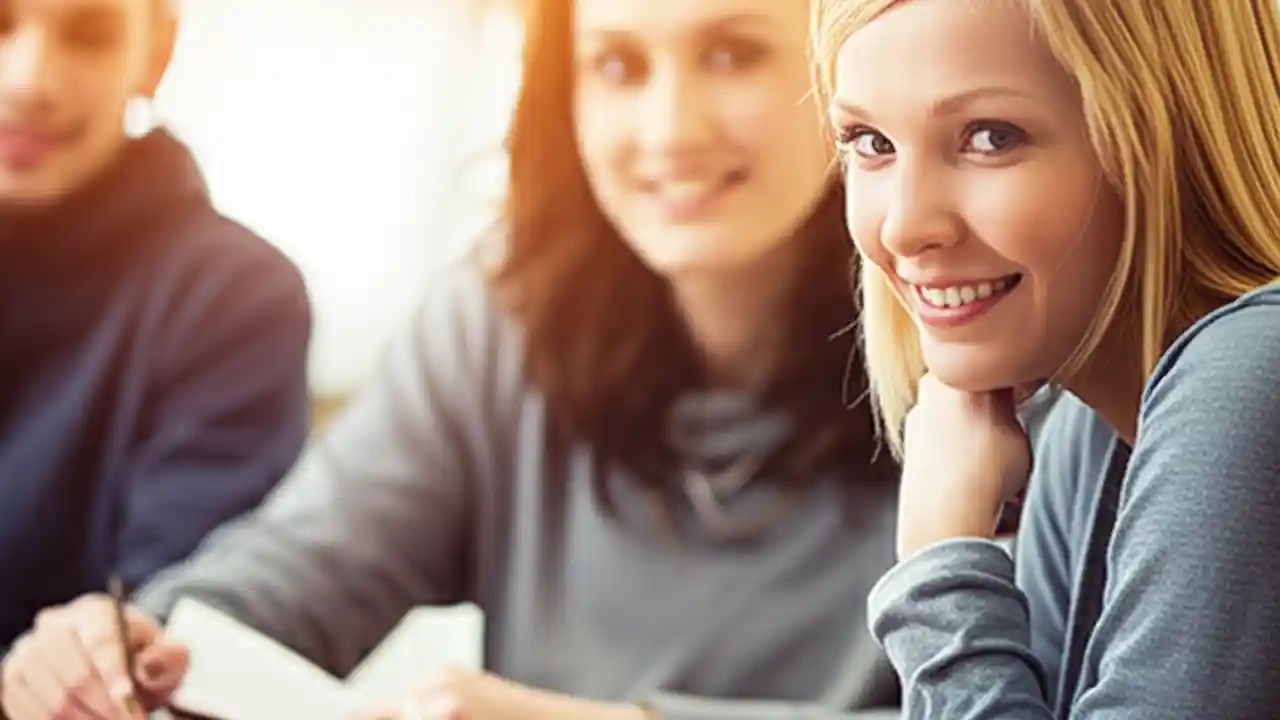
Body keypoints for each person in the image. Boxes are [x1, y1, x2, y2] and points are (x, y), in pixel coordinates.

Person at [1, 0, 903, 719]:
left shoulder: (986, 349)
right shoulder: (501, 318)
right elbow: (313, 559)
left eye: (733, 53)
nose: (669, 128)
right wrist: (133, 645)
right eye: (617, 65)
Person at [812, 0, 1280, 716]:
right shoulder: (1080, 438)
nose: (905, 226)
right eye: (870, 142)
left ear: (1165, 133)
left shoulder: (1254, 372)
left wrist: (941, 559)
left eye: (989, 137)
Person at [0, 0, 310, 655]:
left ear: (156, 54)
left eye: (89, 35)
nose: (30, 80)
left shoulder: (232, 299)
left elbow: (164, 641)